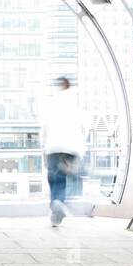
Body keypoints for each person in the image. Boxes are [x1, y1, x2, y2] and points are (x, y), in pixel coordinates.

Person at [40, 76, 85, 227]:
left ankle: (56, 205)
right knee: (62, 179)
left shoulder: (51, 104)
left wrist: (43, 150)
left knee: (54, 179)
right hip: (70, 149)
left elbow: (44, 129)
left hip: (52, 148)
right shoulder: (75, 104)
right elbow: (83, 128)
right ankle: (58, 206)